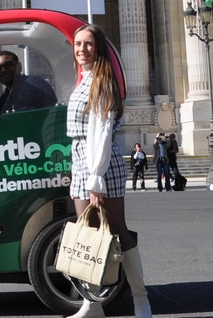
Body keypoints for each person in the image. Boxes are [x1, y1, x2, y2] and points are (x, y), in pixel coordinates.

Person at [64, 24, 150, 318]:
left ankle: (141, 299)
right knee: (88, 235)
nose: (82, 49)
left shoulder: (101, 82)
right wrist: (78, 175)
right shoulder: (84, 79)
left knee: (117, 232)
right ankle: (92, 304)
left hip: (99, 164)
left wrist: (95, 178)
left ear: (98, 48)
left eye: (88, 44)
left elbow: (99, 132)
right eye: (78, 44)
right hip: (82, 163)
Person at [0, 50, 58, 117]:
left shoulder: (36, 86)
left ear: (19, 67)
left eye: (8, 65)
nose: (3, 70)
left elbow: (53, 115)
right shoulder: (1, 102)